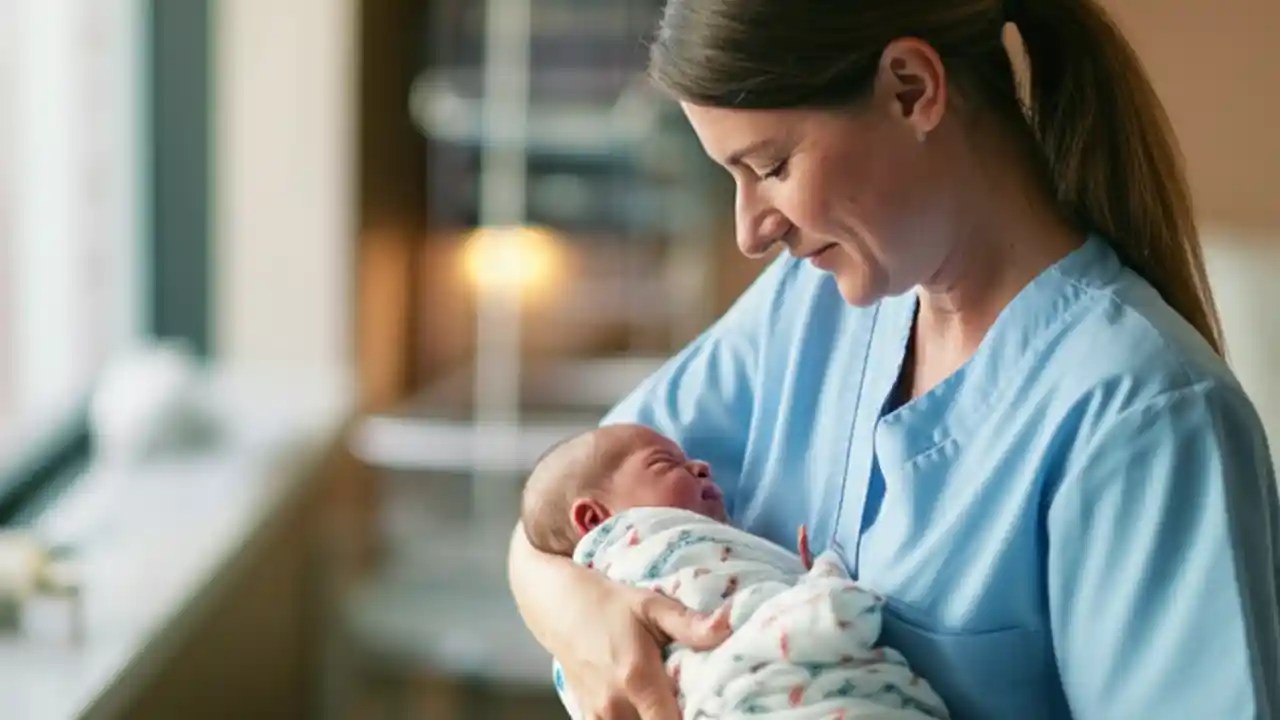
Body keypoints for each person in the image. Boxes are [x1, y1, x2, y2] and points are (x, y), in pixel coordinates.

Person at [507, 0, 1280, 718]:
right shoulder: (805, 309)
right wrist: (589, 617)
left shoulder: (1143, 418)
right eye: (731, 178)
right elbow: (561, 518)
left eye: (771, 167)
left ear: (911, 90)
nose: (750, 230)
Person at [521, 424, 949, 719]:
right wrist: (820, 582)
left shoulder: (697, 548)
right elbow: (737, 614)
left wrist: (788, 572)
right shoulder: (646, 549)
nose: (701, 466)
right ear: (595, 519)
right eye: (664, 464)